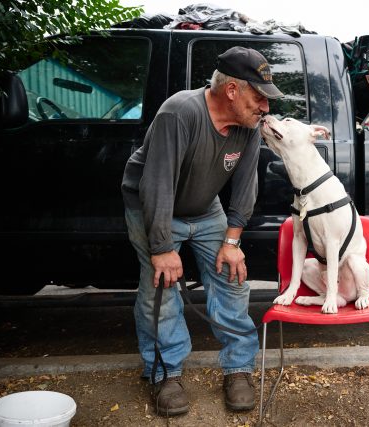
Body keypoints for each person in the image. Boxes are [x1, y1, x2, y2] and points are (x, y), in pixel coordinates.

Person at [121, 46, 283, 416]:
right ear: (232, 91)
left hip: (204, 205)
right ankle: (166, 373)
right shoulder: (181, 112)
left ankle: (239, 368)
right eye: (259, 97)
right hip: (152, 203)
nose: (265, 108)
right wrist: (162, 247)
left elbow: (245, 184)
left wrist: (232, 241)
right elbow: (157, 184)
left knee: (232, 278)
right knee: (159, 290)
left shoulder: (249, 125)